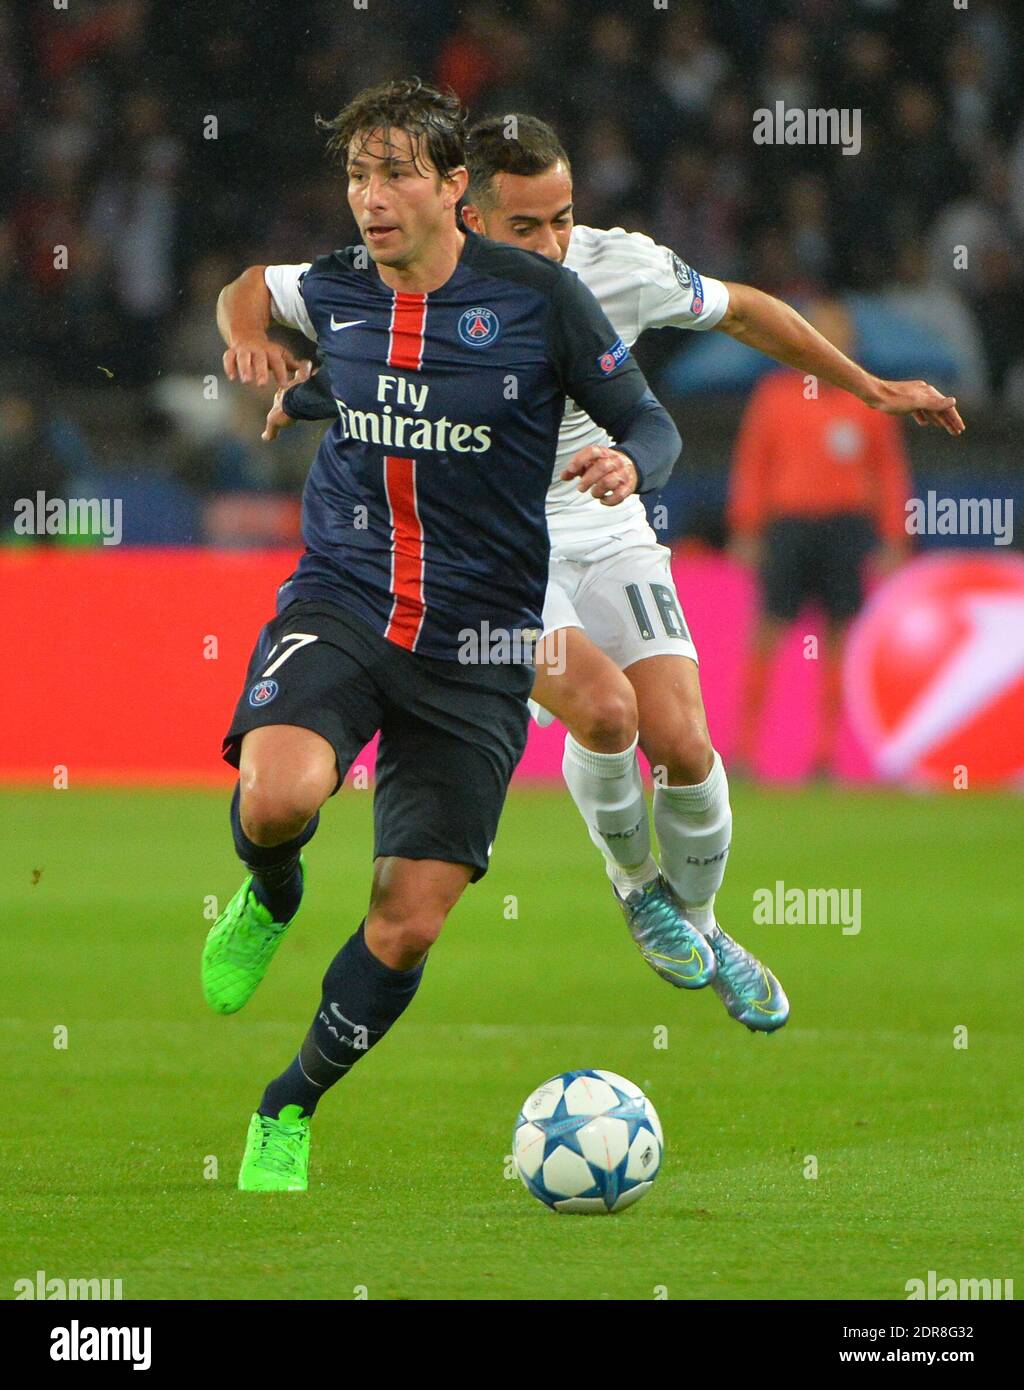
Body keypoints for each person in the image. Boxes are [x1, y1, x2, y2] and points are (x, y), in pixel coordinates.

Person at [273, 113, 964, 1040]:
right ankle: (638, 888)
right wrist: (289, 376)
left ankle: (706, 926)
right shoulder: (414, 271)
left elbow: (749, 309)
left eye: (564, 216)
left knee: (683, 741)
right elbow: (315, 330)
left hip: (607, 522)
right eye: (529, 227)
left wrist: (868, 387)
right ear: (465, 208)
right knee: (604, 713)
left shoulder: (616, 265)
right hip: (491, 551)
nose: (556, 243)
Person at [203, 80, 683, 1193]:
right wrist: (256, 348)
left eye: (396, 174)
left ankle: (288, 1104)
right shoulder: (333, 286)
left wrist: (629, 465)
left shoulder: (539, 299)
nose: (372, 198)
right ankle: (271, 891)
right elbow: (244, 290)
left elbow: (648, 420)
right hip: (346, 597)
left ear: (453, 188)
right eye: (357, 175)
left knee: (407, 924)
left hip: (482, 642)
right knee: (279, 796)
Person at [728, 300, 915, 778]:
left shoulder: (870, 399)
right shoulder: (775, 395)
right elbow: (753, 463)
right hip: (789, 528)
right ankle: (745, 750)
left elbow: (890, 472)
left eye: (839, 337)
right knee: (767, 634)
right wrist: (747, 527)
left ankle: (827, 755)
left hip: (846, 529)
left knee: (840, 639)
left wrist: (895, 536)